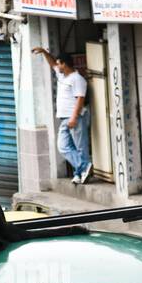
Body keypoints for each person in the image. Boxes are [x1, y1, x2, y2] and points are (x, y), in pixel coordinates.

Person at [32, 47, 92, 184]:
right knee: (63, 146)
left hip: (75, 117)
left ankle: (80, 172)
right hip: (65, 118)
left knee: (80, 147)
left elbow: (80, 99)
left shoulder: (77, 79)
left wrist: (74, 117)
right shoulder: (62, 76)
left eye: (59, 63)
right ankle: (83, 167)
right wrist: (44, 53)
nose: (56, 65)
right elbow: (52, 63)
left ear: (64, 64)